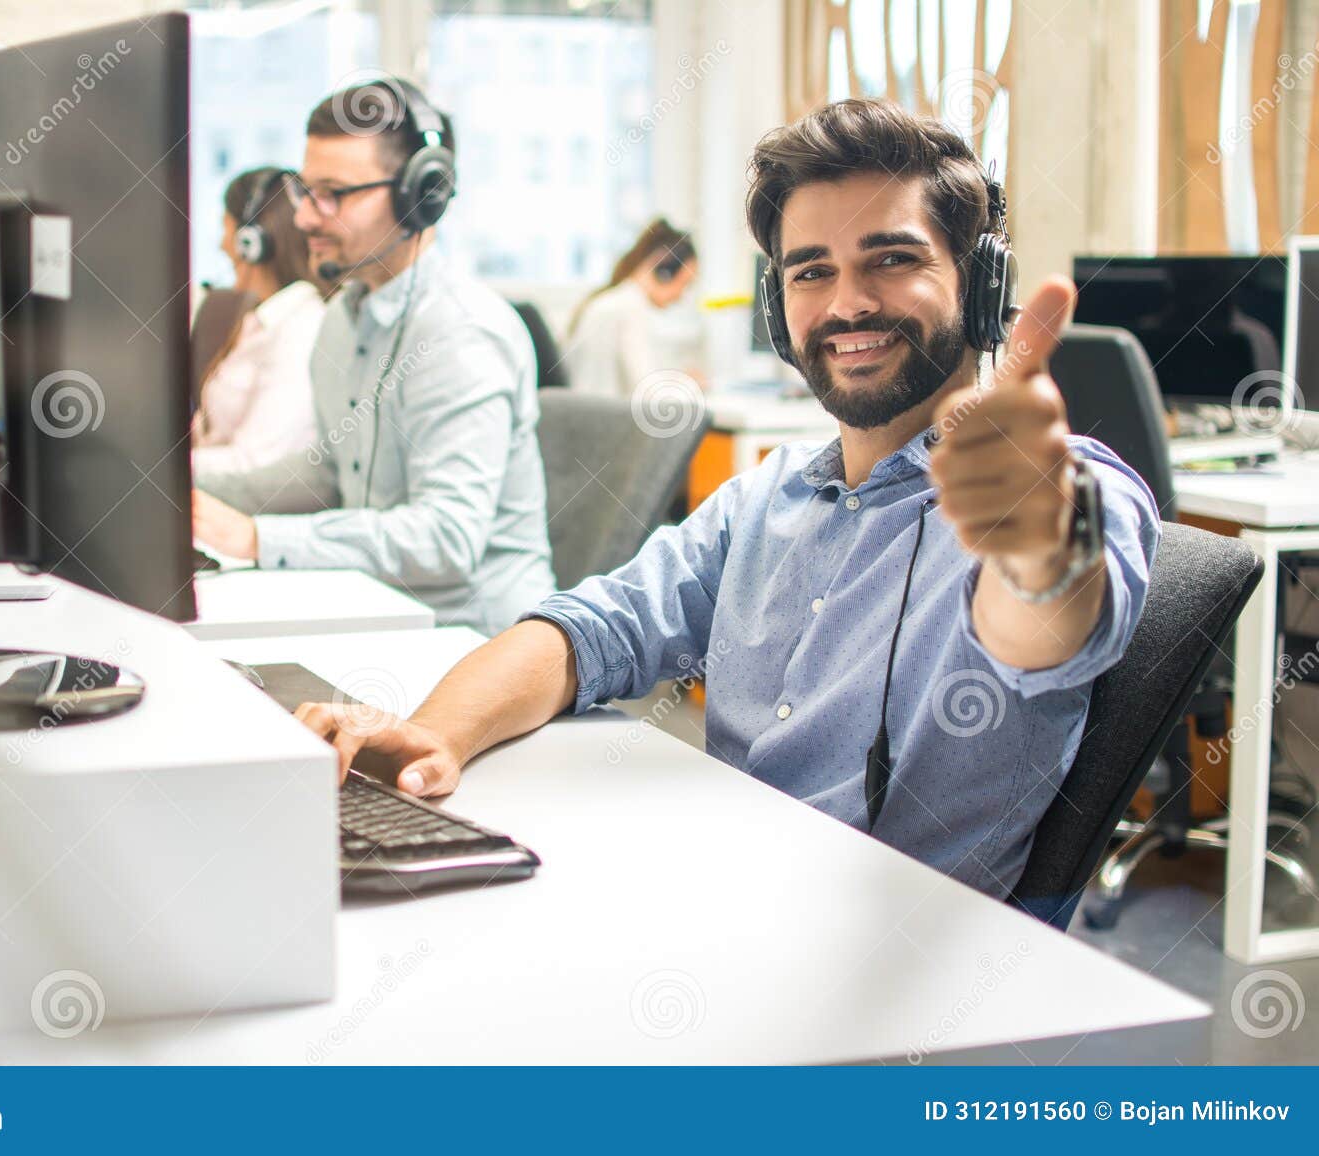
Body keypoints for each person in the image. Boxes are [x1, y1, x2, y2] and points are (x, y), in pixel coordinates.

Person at [292, 99, 1161, 900]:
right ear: (780, 312)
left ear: (980, 286)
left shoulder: (1069, 489)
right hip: (721, 900)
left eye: (892, 260)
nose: (848, 303)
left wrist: (1039, 537)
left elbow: (1043, 613)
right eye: (810, 272)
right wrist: (438, 734)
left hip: (885, 980)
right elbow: (589, 631)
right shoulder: (767, 498)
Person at [191, 80, 555, 637]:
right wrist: (184, 485)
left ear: (419, 194)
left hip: (474, 640)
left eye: (334, 193)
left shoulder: (461, 334)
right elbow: (333, 471)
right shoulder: (343, 317)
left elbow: (446, 539)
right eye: (305, 191)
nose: (307, 218)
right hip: (376, 608)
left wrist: (260, 539)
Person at [192, 168, 327, 475]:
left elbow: (256, 462)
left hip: (240, 504)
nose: (221, 245)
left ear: (250, 242)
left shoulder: (300, 331)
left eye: (225, 229)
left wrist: (159, 465)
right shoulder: (261, 319)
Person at [564, 218, 702, 397]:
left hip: (590, 415)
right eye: (684, 284)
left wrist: (677, 378)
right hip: (606, 420)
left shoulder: (612, 300)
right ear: (664, 272)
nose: (680, 296)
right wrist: (690, 384)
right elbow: (649, 391)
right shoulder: (629, 308)